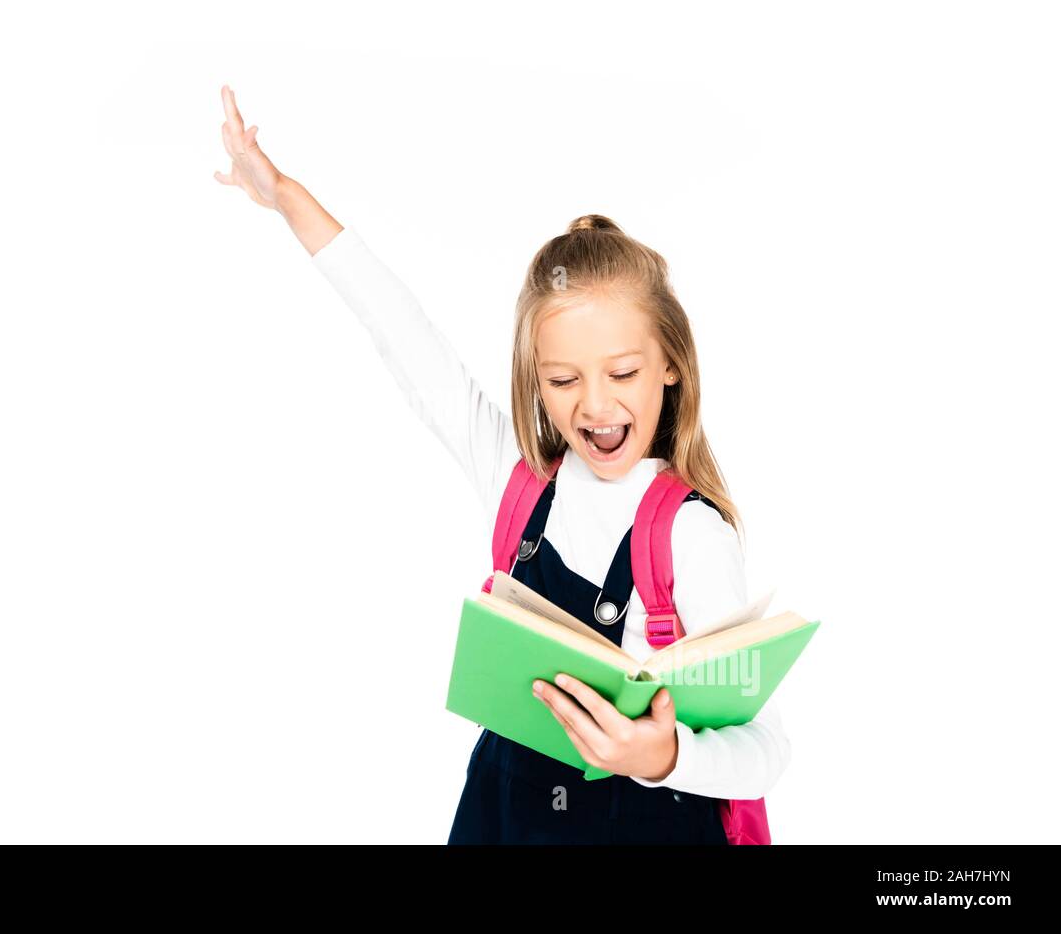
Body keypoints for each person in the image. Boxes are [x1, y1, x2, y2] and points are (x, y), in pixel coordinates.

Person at [214, 85, 791, 844]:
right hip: (503, 815)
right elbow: (405, 337)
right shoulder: (520, 488)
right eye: (563, 379)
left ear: (671, 366)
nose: (594, 405)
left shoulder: (688, 536)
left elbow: (766, 749)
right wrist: (288, 199)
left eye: (621, 373)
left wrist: (665, 754)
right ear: (535, 379)